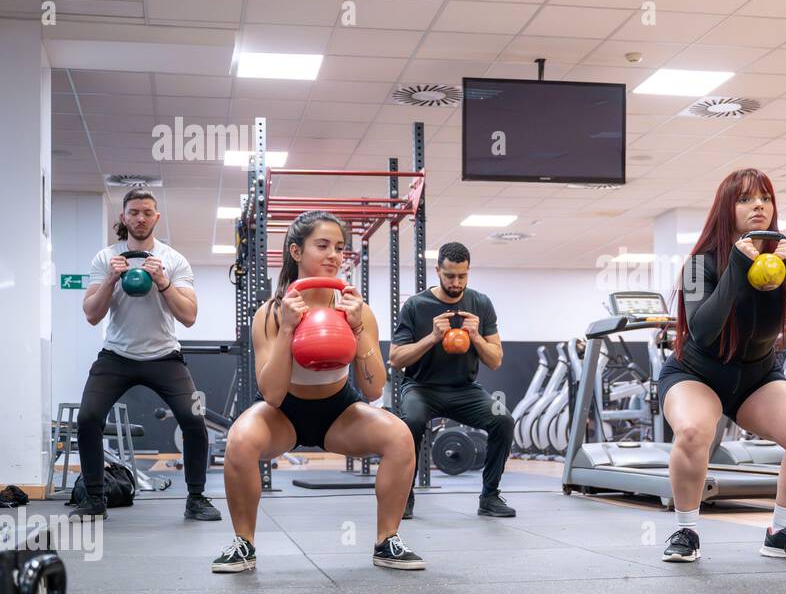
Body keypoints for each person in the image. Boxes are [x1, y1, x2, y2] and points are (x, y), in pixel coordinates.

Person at [211, 210, 420, 572]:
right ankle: (243, 543)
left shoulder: (358, 310)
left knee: (400, 436)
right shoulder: (271, 313)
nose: (334, 256)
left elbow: (373, 389)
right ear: (296, 252)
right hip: (283, 413)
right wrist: (289, 329)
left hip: (338, 412)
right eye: (322, 246)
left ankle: (387, 541)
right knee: (240, 441)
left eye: (339, 248)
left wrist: (358, 330)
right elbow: (272, 395)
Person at [659, 168, 786, 562]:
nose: (757, 205)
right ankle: (685, 531)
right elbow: (704, 332)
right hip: (695, 374)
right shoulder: (698, 265)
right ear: (727, 208)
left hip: (757, 376)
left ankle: (782, 531)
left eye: (764, 198)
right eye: (744, 199)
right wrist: (739, 268)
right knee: (691, 431)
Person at [77, 189, 219, 522]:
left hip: (166, 357)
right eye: (133, 212)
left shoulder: (174, 260)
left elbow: (189, 316)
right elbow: (91, 315)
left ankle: (196, 498)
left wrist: (163, 281)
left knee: (195, 420)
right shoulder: (105, 259)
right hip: (115, 356)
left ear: (156, 218)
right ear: (123, 217)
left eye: (146, 212)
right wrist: (112, 278)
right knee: (87, 418)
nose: (140, 218)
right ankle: (95, 498)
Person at [391, 242, 514, 519]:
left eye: (462, 276)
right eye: (450, 276)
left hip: (465, 390)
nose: (456, 282)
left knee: (503, 419)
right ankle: (403, 497)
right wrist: (432, 337)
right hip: (421, 388)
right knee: (409, 423)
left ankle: (490, 496)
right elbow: (397, 359)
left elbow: (495, 360)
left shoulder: (481, 303)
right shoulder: (415, 305)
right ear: (438, 271)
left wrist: (476, 336)